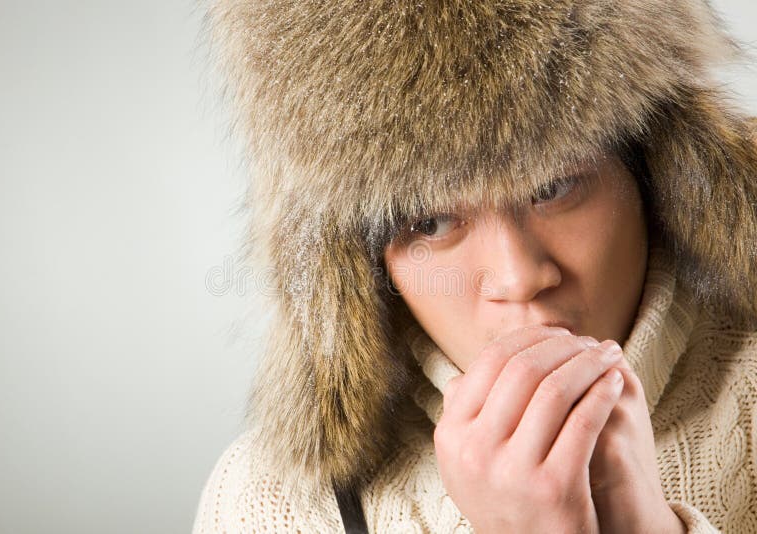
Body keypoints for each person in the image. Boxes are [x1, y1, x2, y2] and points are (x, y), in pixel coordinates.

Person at [193, 0, 757, 532]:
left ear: (653, 165)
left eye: (555, 186)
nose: (519, 277)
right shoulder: (273, 503)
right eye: (432, 223)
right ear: (358, 264)